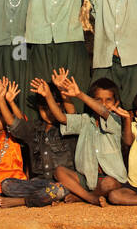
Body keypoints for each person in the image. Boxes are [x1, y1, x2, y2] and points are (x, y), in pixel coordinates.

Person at [0, 76, 72, 208]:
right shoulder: (34, 128)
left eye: (52, 108)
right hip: (38, 183)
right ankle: (43, 198)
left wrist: (62, 90)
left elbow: (72, 113)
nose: (48, 113)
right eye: (43, 109)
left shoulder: (67, 127)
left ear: (60, 106)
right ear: (38, 109)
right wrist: (1, 100)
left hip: (62, 183)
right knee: (6, 185)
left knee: (58, 189)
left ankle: (22, 201)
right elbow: (14, 124)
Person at [52, 74, 131, 205]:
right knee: (59, 172)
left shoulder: (116, 120)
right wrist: (57, 91)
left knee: (108, 184)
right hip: (88, 179)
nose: (103, 104)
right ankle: (89, 197)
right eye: (98, 100)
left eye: (108, 100)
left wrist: (79, 94)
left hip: (111, 179)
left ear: (116, 103)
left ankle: (85, 196)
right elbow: (62, 118)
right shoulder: (86, 120)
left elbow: (104, 112)